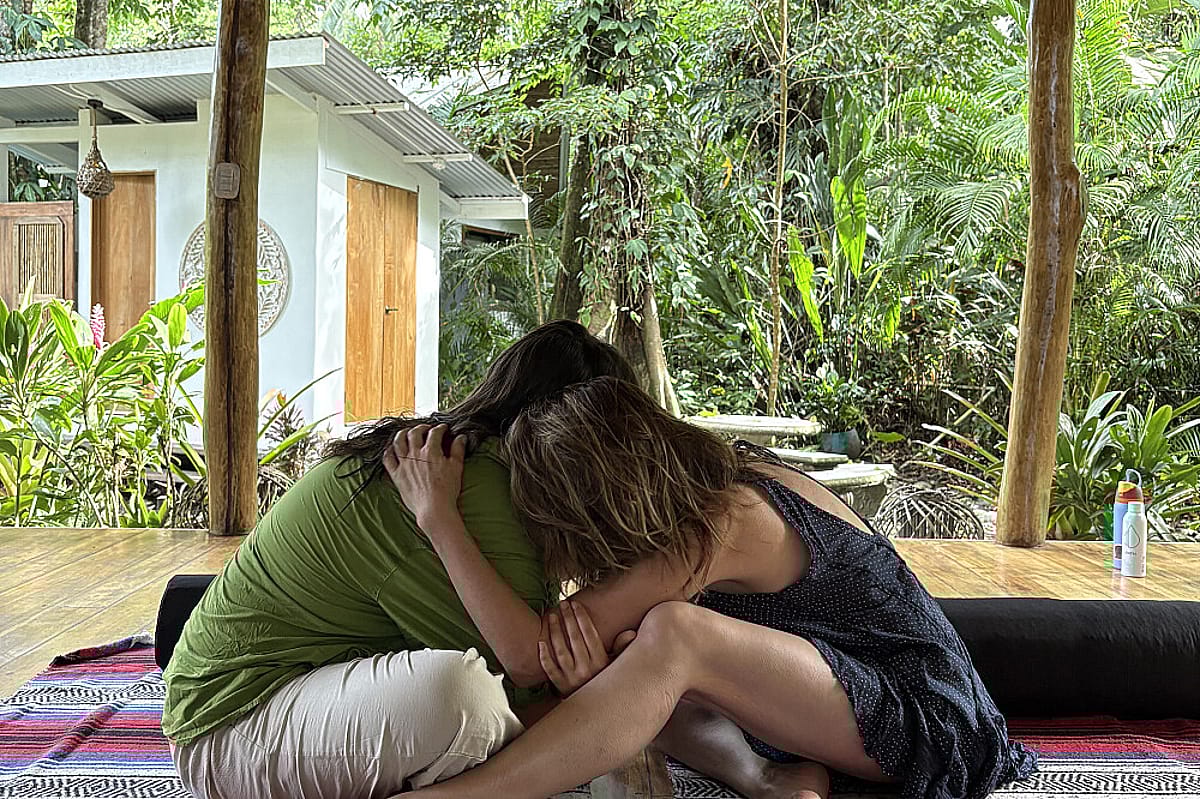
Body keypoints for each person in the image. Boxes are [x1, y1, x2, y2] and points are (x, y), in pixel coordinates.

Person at [385, 376, 1038, 799]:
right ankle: (766, 776)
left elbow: (531, 653)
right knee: (630, 658)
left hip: (928, 715)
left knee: (672, 635)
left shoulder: (724, 520)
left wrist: (441, 520)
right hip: (834, 698)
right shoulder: (712, 481)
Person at [161, 321, 636, 799]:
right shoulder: (481, 485)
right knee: (468, 702)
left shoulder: (459, 462)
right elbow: (525, 681)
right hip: (232, 730)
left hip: (267, 704)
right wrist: (590, 691)